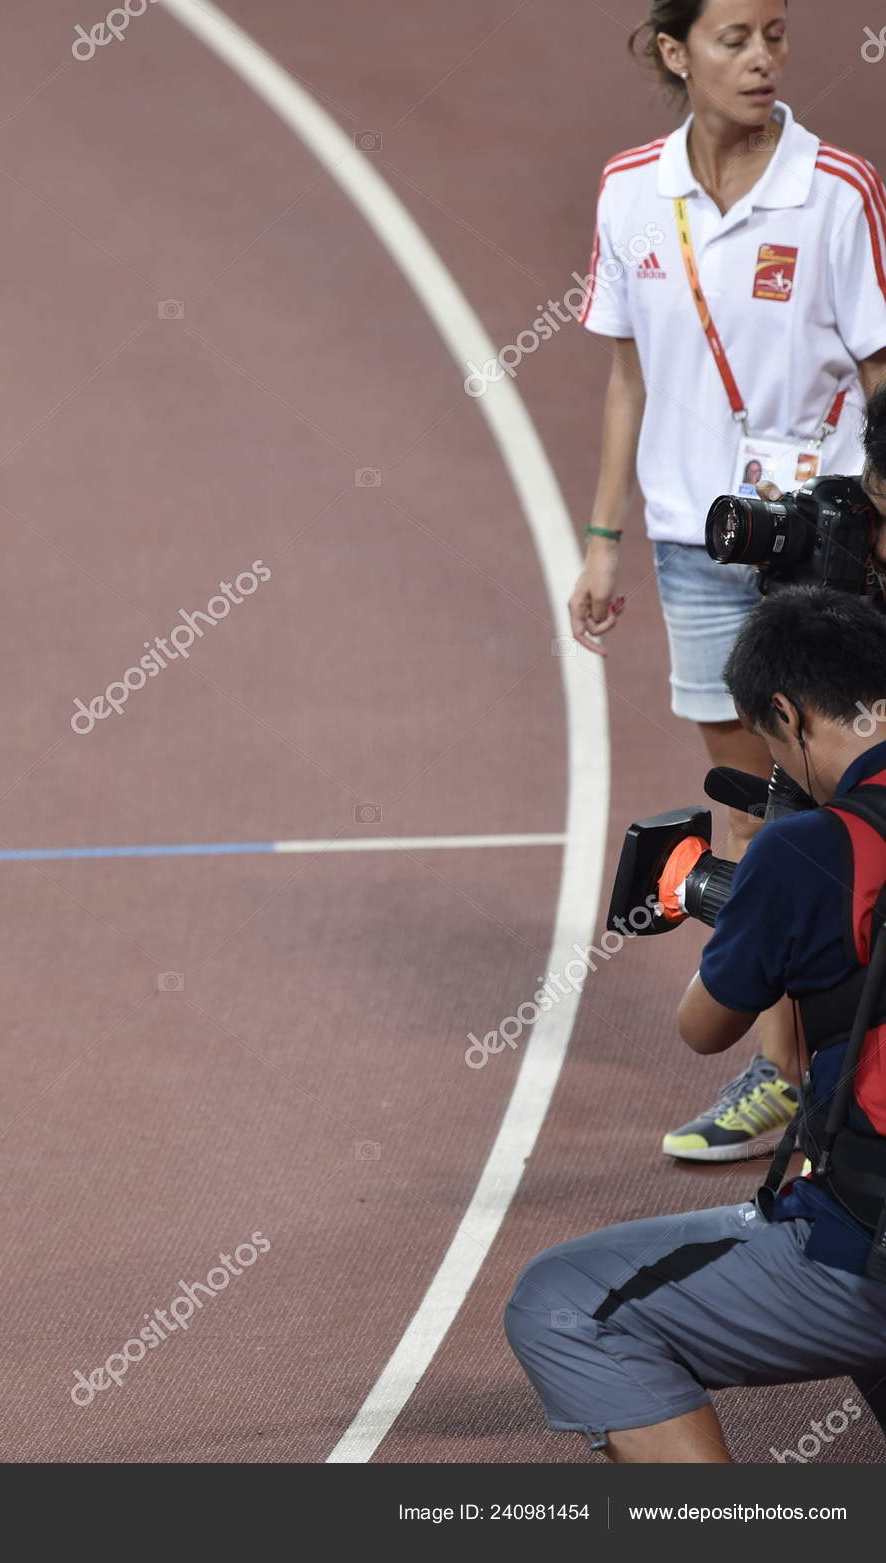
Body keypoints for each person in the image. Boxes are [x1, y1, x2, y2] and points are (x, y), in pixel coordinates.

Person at [567, 0, 886, 1161]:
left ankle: (793, 1071)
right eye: (732, 37)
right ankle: (799, 1070)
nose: (760, 59)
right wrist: (601, 535)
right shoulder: (626, 189)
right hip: (693, 541)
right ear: (671, 51)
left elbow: (883, 376)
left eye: (775, 35)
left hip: (827, 543)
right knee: (754, 805)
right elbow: (624, 379)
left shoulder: (836, 188)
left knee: (827, 803)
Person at [508, 586, 886, 1461]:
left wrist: (743, 895)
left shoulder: (806, 848)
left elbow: (706, 1026)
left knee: (563, 1302)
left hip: (866, 1250)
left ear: (786, 714)